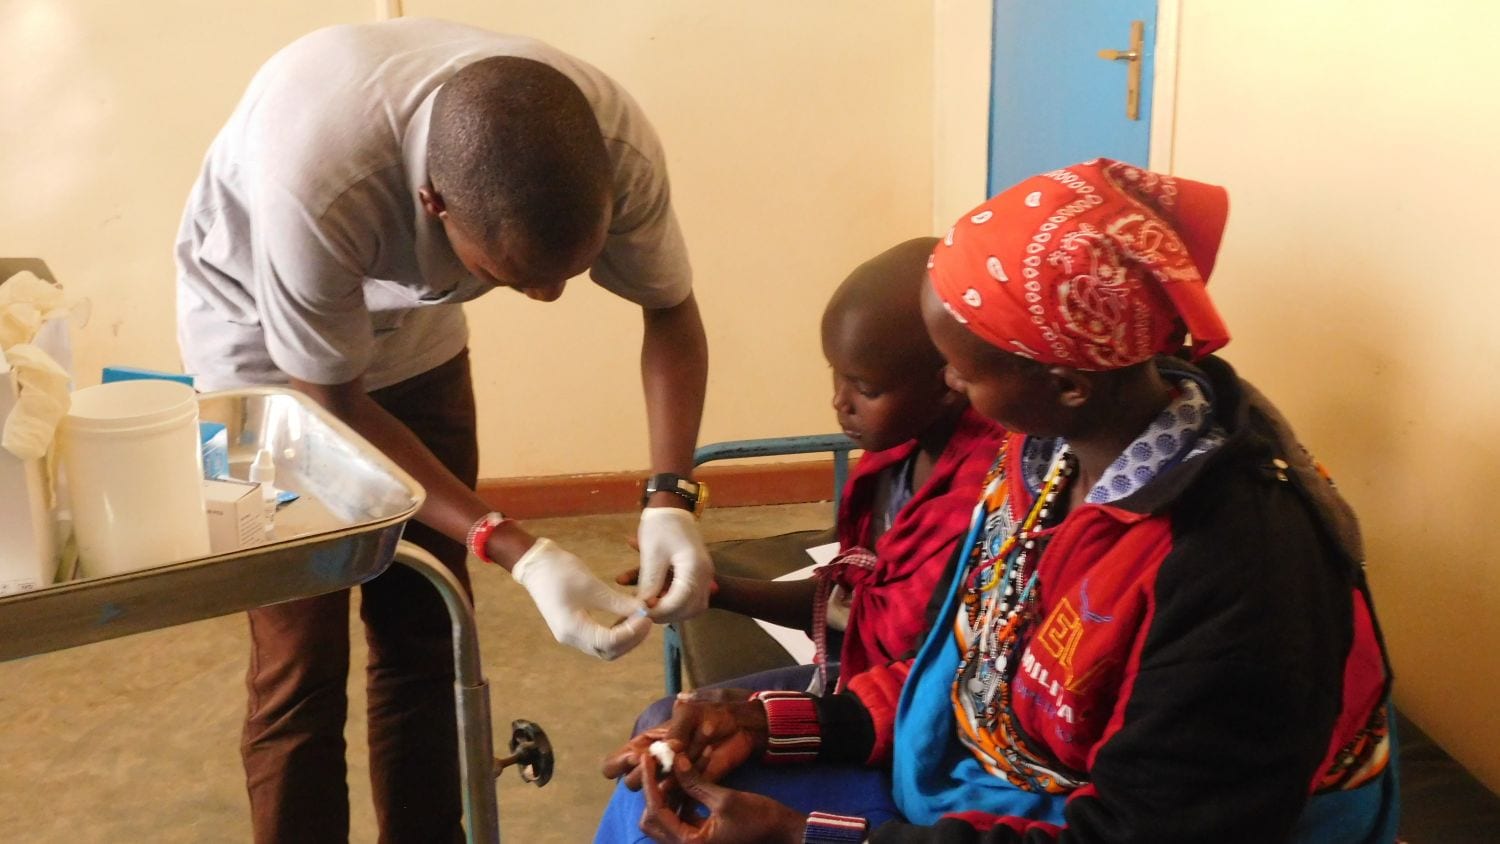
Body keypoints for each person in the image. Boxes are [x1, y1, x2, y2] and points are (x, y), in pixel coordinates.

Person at [597, 159, 1397, 843]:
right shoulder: (1039, 455)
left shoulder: (1240, 569)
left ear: (1068, 383)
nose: (948, 386)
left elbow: (1146, 830)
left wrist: (812, 837)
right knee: (666, 761)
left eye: (962, 369)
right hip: (982, 780)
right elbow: (971, 663)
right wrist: (771, 721)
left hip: (1070, 818)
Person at [174, 18, 713, 842]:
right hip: (259, 347)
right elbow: (333, 406)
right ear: (434, 202)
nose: (548, 299)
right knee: (299, 666)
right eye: (515, 278)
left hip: (412, 337)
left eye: (568, 272)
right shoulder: (318, 180)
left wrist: (671, 496)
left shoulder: (614, 144)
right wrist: (517, 546)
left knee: (428, 635)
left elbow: (670, 309)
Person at [626, 238, 1006, 733]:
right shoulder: (895, 459)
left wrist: (772, 726)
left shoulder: (981, 507)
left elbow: (900, 672)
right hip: (865, 693)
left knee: (680, 737)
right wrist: (714, 588)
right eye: (836, 376)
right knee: (665, 722)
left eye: (864, 390)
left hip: (916, 727)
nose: (838, 402)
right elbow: (850, 610)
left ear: (949, 380)